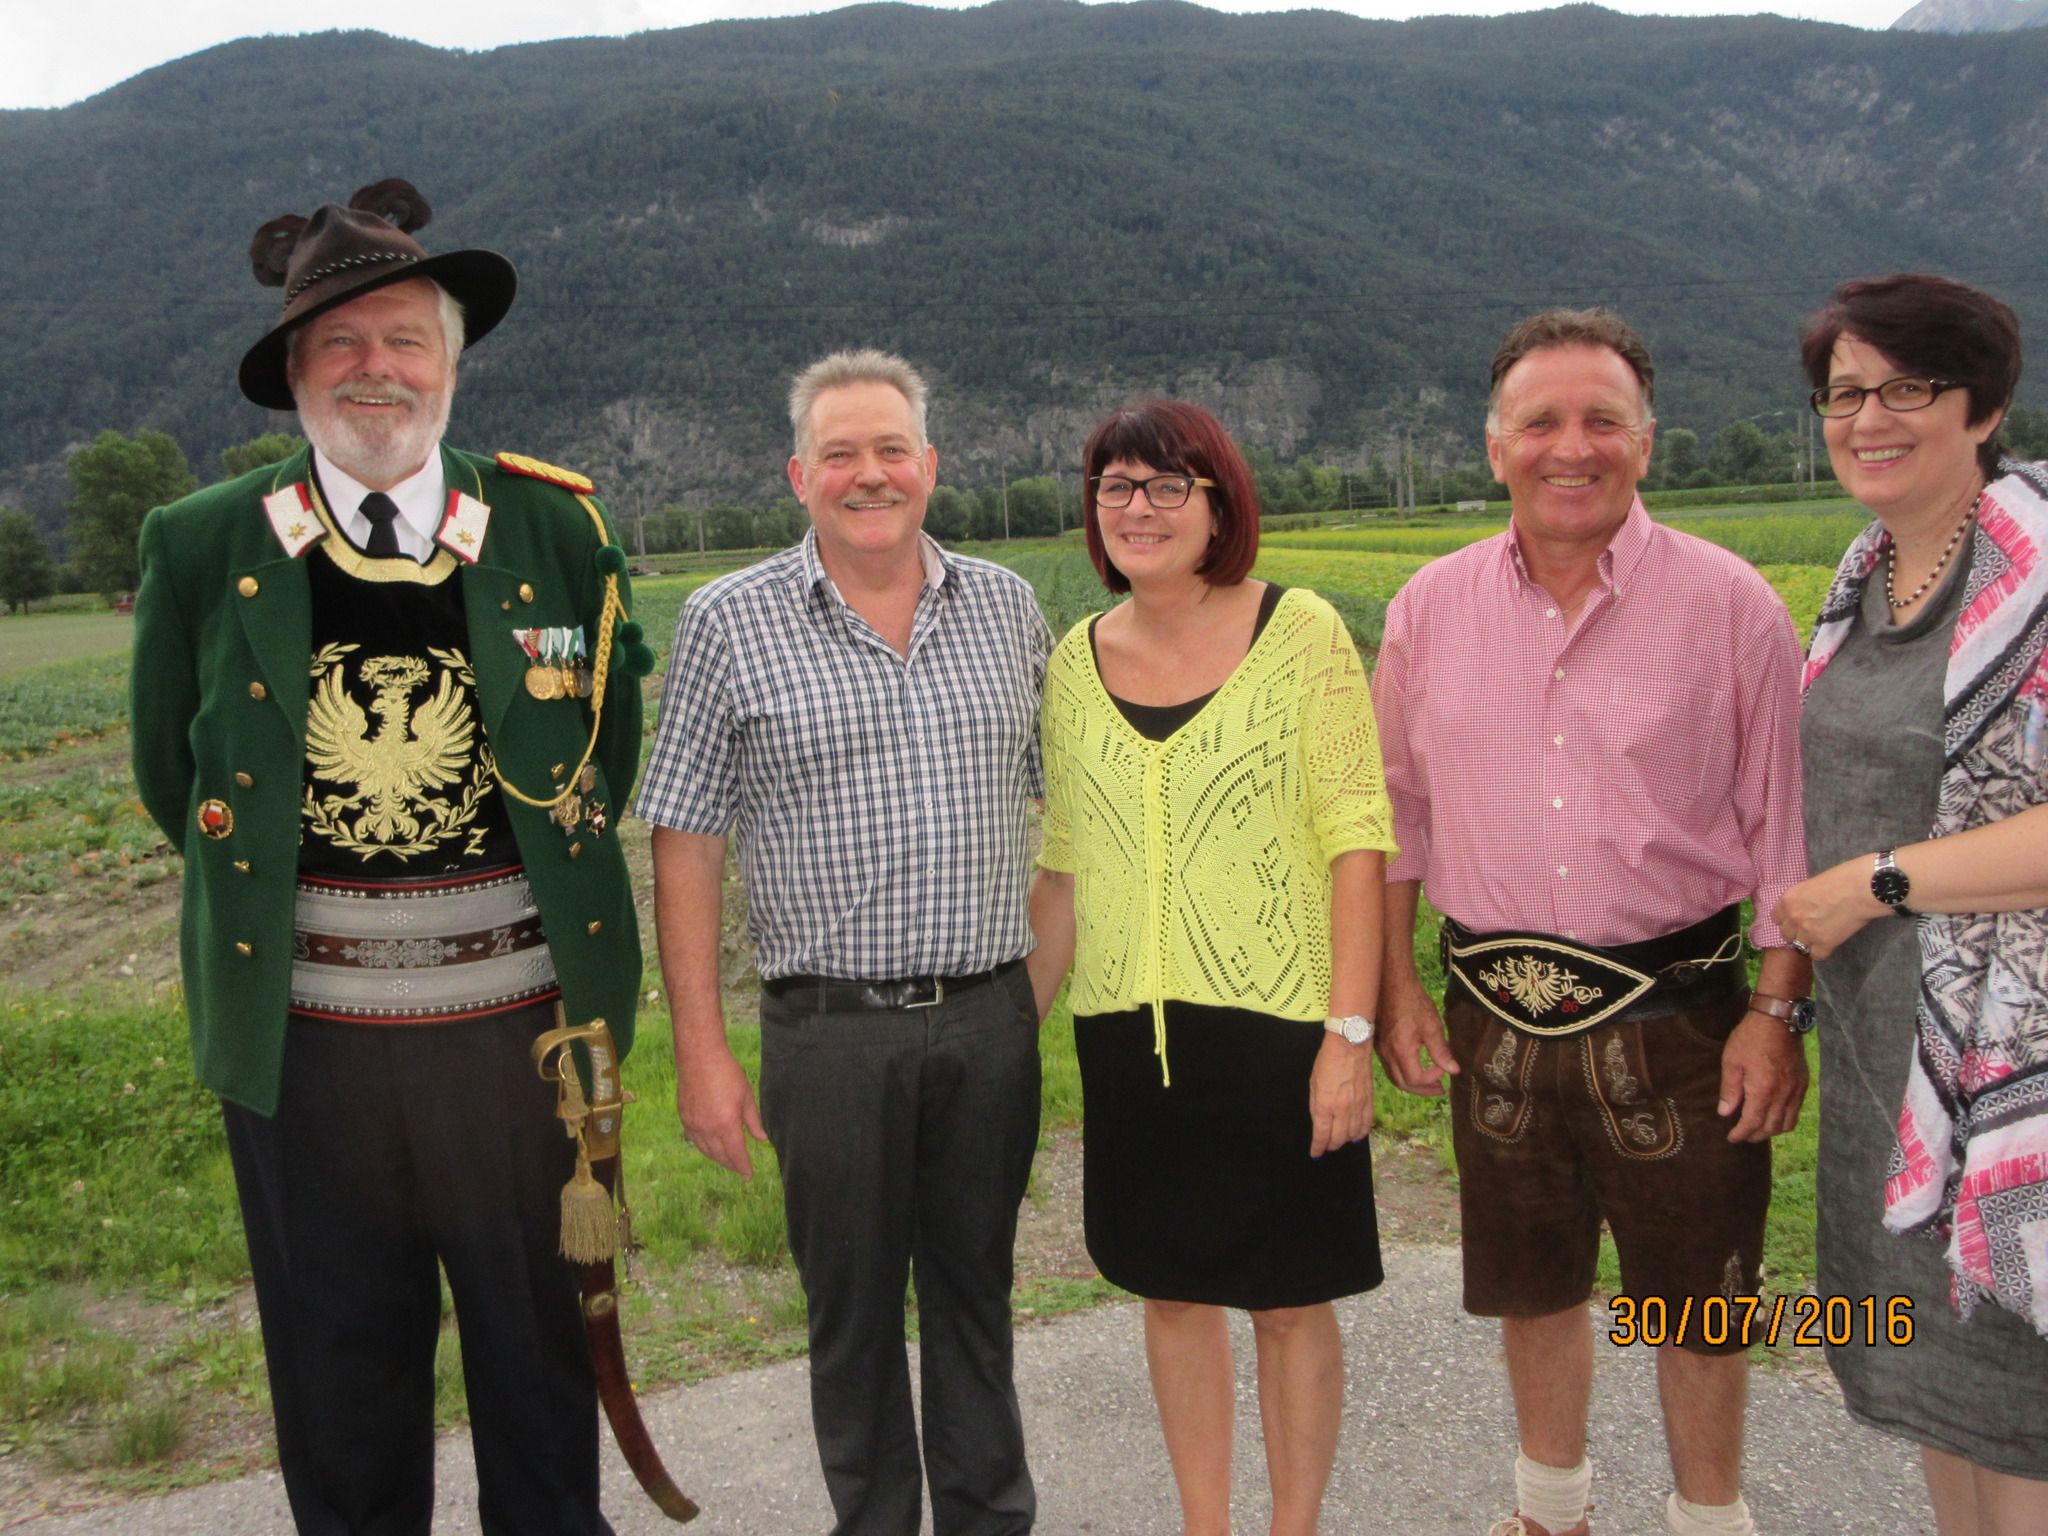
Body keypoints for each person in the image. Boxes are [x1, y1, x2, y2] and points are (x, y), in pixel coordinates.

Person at [130, 180, 650, 1534]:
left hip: (523, 1041)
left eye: (405, 339)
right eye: (340, 344)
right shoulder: (202, 546)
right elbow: (171, 780)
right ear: (295, 374)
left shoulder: (556, 528)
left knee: (543, 1374)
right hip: (307, 1055)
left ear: (452, 364)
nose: (377, 370)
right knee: (340, 1388)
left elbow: (608, 748)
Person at [1372, 308, 1813, 1536]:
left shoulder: (1730, 608)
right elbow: (1395, 816)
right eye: (1542, 422)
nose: (1572, 446)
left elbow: (1784, 835)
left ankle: (1708, 1521)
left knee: (1697, 1301)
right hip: (1488, 1013)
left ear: (1645, 441)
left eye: (1600, 420)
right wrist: (1399, 989)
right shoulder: (1425, 608)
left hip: (1680, 1018)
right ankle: (1546, 1512)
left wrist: (1774, 1014)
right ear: (1494, 444)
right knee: (1530, 1283)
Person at [636, 350, 1051, 1536]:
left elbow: (1062, 805)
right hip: (825, 1033)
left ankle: (988, 1522)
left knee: (976, 1296)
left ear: (928, 466)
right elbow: (687, 840)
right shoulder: (728, 620)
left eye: (889, 451)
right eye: (839, 455)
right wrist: (703, 1054)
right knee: (852, 1315)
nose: (867, 476)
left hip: (985, 1017)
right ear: (797, 475)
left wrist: (1035, 989)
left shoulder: (1005, 607)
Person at [1026, 400, 1395, 1536]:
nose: (1138, 508)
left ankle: (1292, 1527)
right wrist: (1007, 1035)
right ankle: (1206, 1526)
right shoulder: (1073, 665)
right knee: (1172, 1295)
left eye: (1166, 485)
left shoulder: (1300, 633)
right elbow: (1064, 869)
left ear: (1218, 501)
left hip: (1281, 1039)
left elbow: (1355, 840)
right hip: (1130, 1042)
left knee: (1287, 1304)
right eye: (1116, 488)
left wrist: (1347, 1039)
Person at [1773, 273, 2048, 1536]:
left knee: (2021, 1397)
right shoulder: (1863, 571)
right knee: (1934, 1388)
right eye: (1843, 394)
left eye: (1905, 389)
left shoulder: (2037, 567)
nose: (1866, 417)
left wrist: (1882, 882)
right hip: (1888, 1059)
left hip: (2012, 1073)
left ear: (1980, 404)